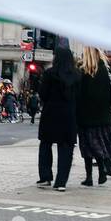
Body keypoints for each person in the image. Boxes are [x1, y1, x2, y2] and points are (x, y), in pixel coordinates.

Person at [35, 46, 79, 191]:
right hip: (69, 115)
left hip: (51, 113)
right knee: (66, 148)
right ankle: (61, 182)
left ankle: (45, 176)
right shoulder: (77, 75)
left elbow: (43, 94)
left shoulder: (49, 74)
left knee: (46, 145)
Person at [74, 46, 111, 186]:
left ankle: (89, 177)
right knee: (100, 143)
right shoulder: (106, 70)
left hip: (84, 115)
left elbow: (76, 94)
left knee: (86, 146)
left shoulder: (81, 71)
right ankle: (102, 171)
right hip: (103, 115)